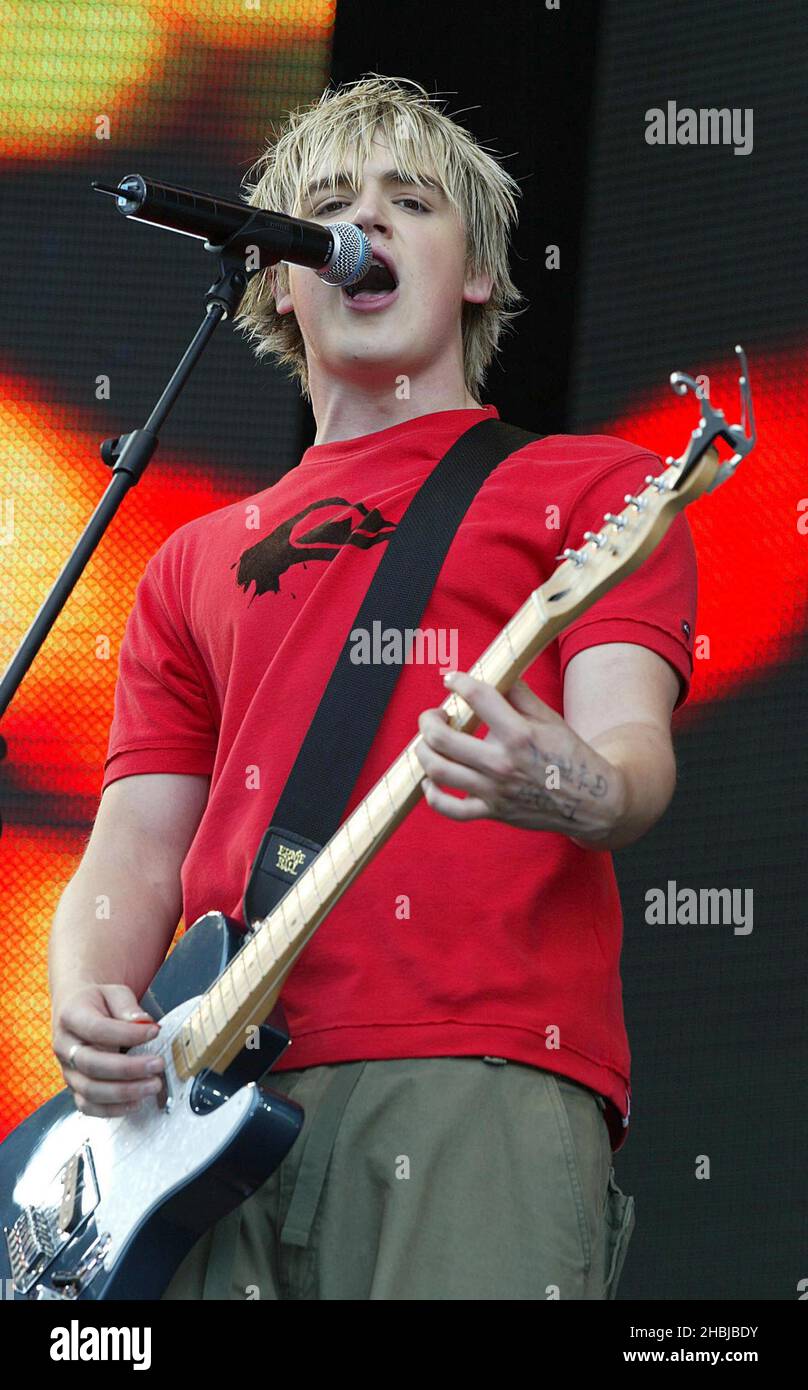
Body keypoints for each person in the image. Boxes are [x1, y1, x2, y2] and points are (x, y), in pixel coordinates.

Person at [47, 74, 697, 1300]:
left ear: (478, 274)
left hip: (472, 1068)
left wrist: (562, 780)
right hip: (199, 1106)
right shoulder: (191, 555)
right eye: (330, 205)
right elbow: (133, 851)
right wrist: (86, 1002)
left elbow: (630, 759)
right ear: (283, 275)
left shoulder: (591, 485)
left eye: (411, 201)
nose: (367, 221)